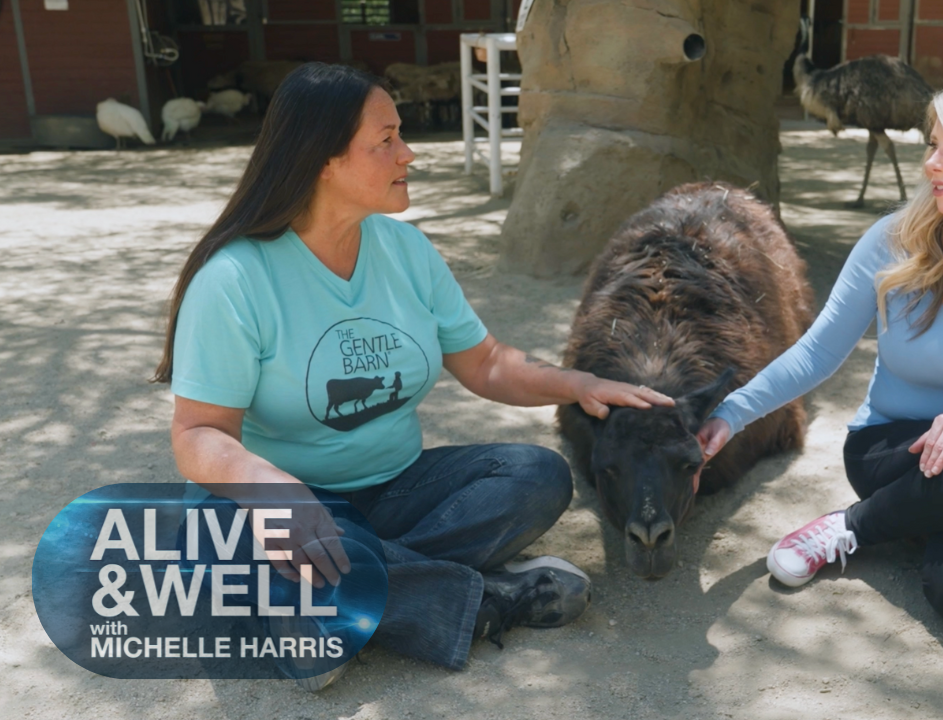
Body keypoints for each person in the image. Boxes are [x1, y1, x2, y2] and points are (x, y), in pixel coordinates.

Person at [152, 63, 673, 690]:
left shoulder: (406, 250)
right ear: (323, 159)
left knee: (536, 476)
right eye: (387, 139)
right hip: (279, 507)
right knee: (214, 545)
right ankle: (482, 600)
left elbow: (484, 363)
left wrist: (577, 384)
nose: (409, 153)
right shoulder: (234, 279)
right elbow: (199, 434)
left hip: (395, 493)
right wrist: (275, 492)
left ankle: (327, 603)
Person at [696, 68, 943, 631]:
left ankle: (923, 518)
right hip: (891, 451)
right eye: (934, 143)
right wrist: (729, 415)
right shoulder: (894, 241)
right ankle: (853, 526)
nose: (933, 162)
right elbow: (816, 354)